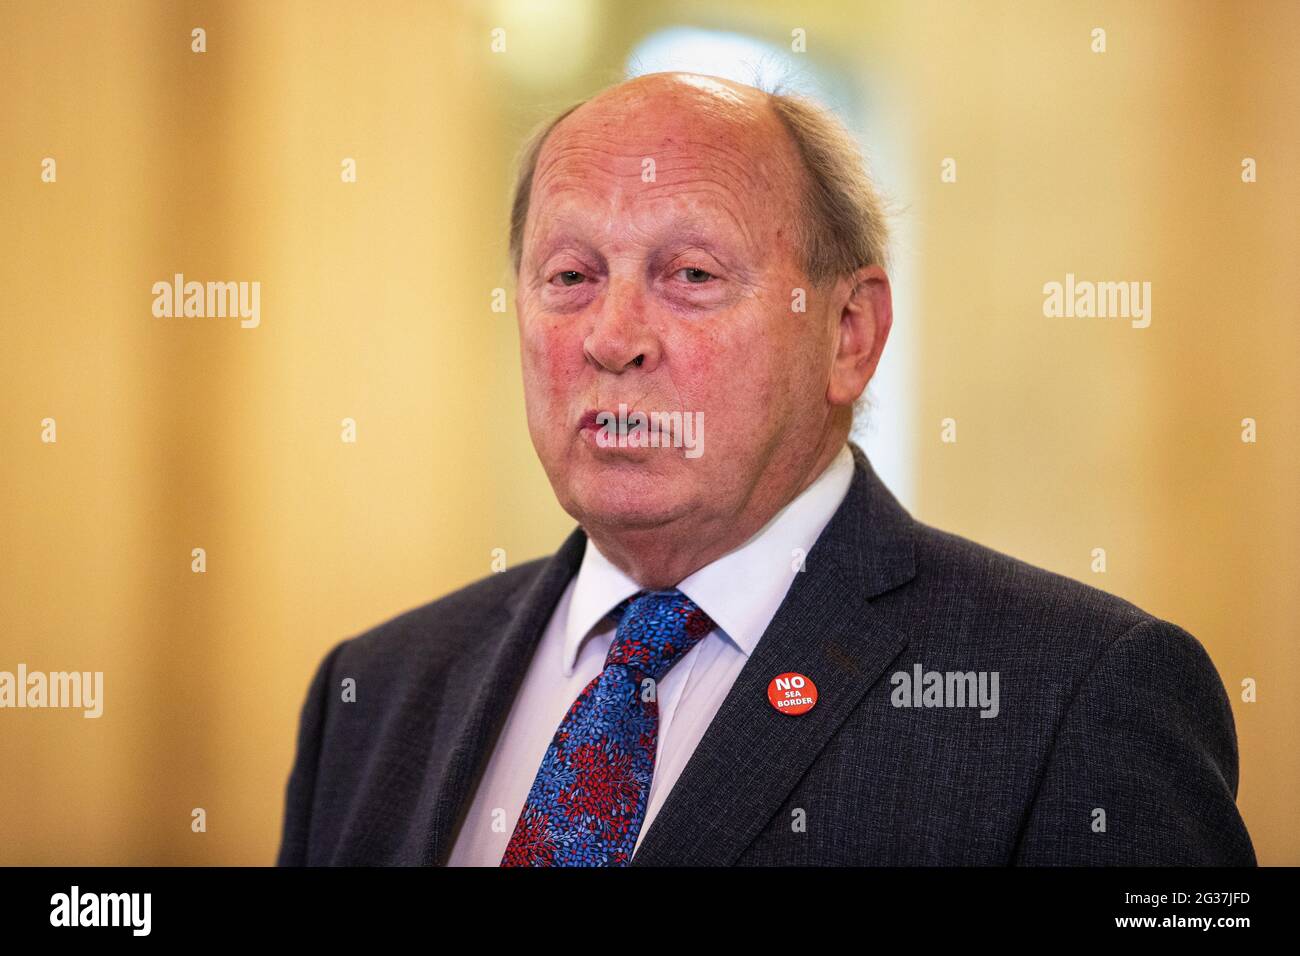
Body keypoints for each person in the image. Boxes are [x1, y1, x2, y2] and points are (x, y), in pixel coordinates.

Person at [276, 72, 1255, 866]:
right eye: (570, 276)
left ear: (848, 332)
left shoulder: (1073, 692)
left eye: (691, 275)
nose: (612, 337)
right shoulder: (373, 690)